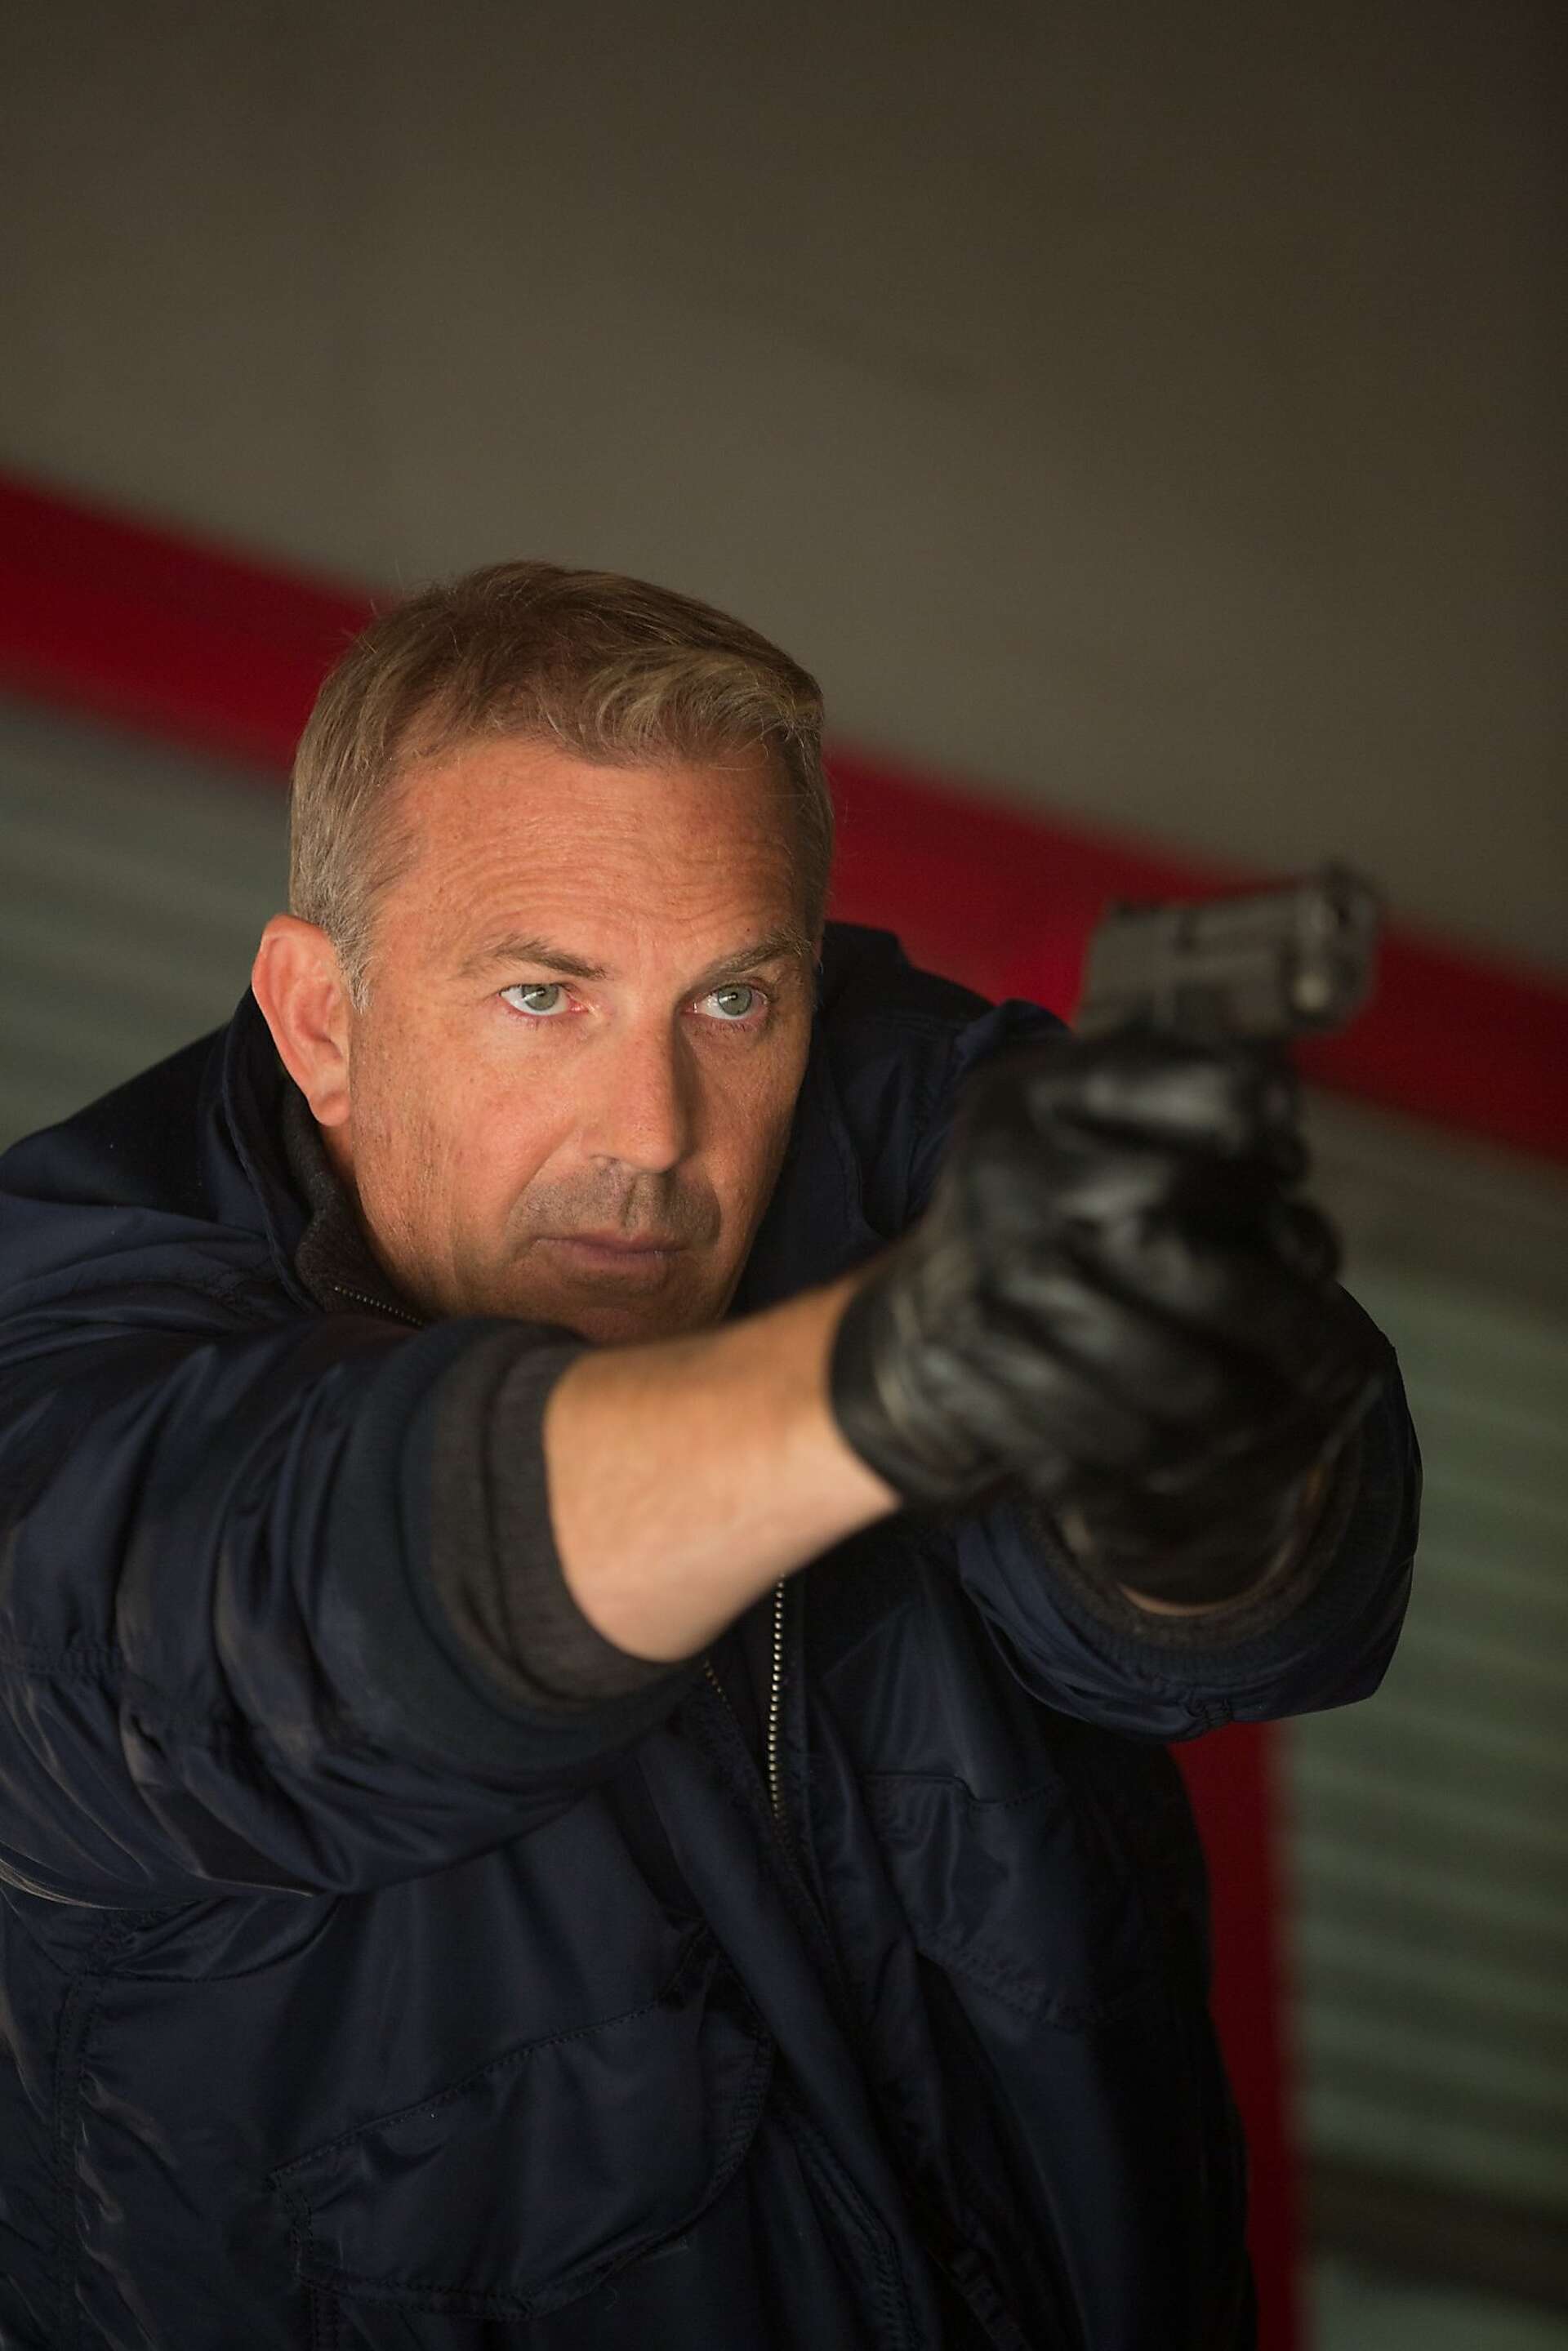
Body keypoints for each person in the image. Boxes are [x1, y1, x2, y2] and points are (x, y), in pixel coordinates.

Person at [0, 561, 1419, 2351]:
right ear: (321, 1023)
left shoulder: (906, 1120)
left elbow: (1261, 1615)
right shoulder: (60, 1337)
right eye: (545, 995)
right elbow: (284, 1607)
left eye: (732, 1002)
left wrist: (1199, 1424)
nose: (656, 1132)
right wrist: (883, 1384)